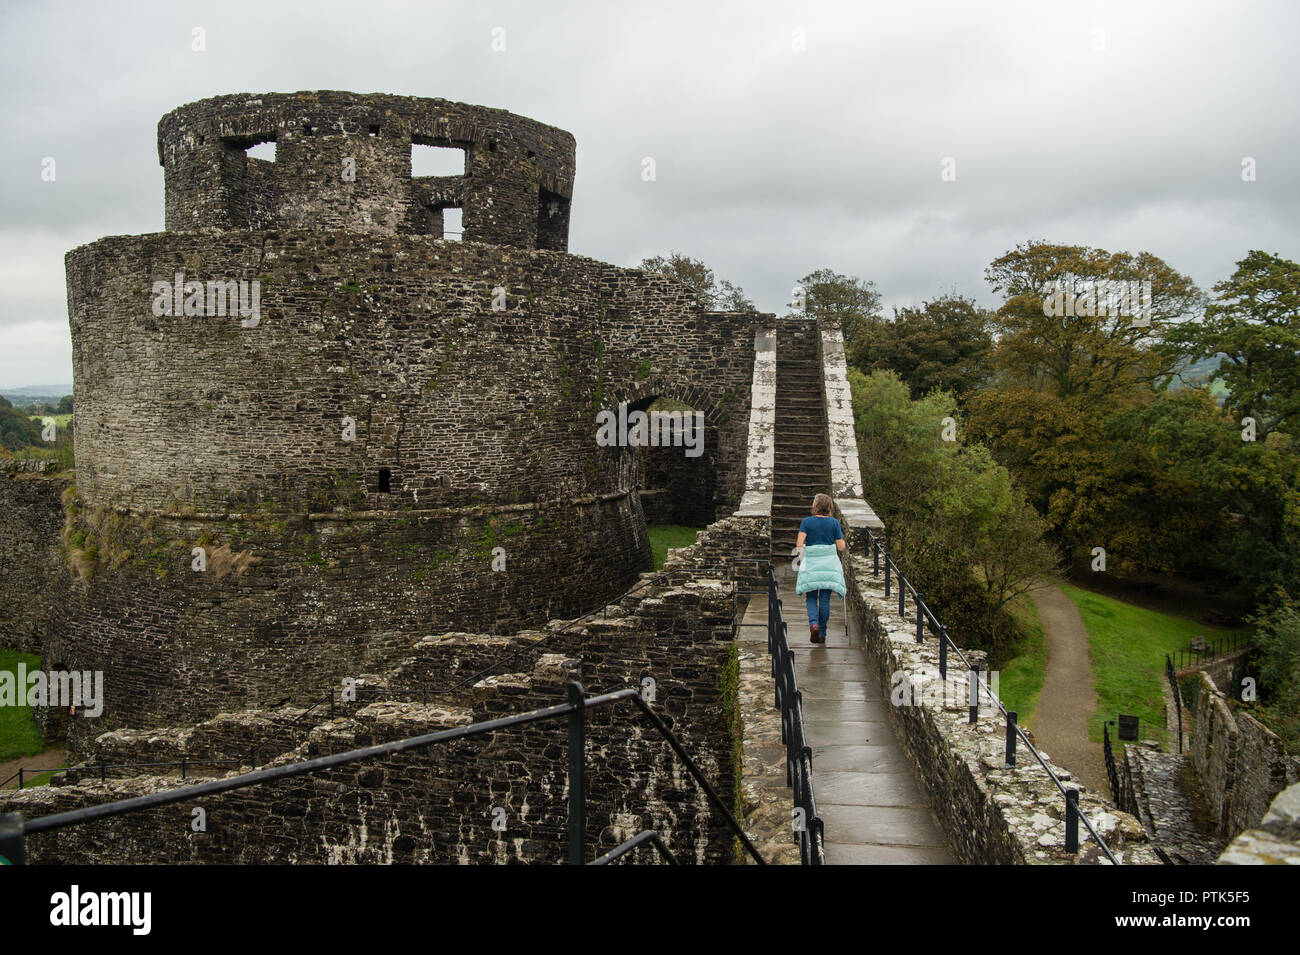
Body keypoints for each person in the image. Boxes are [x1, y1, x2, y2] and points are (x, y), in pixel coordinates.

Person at [794, 493, 846, 644]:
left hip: (811, 564)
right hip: (829, 565)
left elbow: (799, 546)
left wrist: (803, 553)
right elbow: (841, 547)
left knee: (811, 597)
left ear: (815, 506)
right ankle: (822, 633)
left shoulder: (806, 522)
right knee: (825, 599)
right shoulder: (834, 523)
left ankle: (814, 624)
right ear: (829, 507)